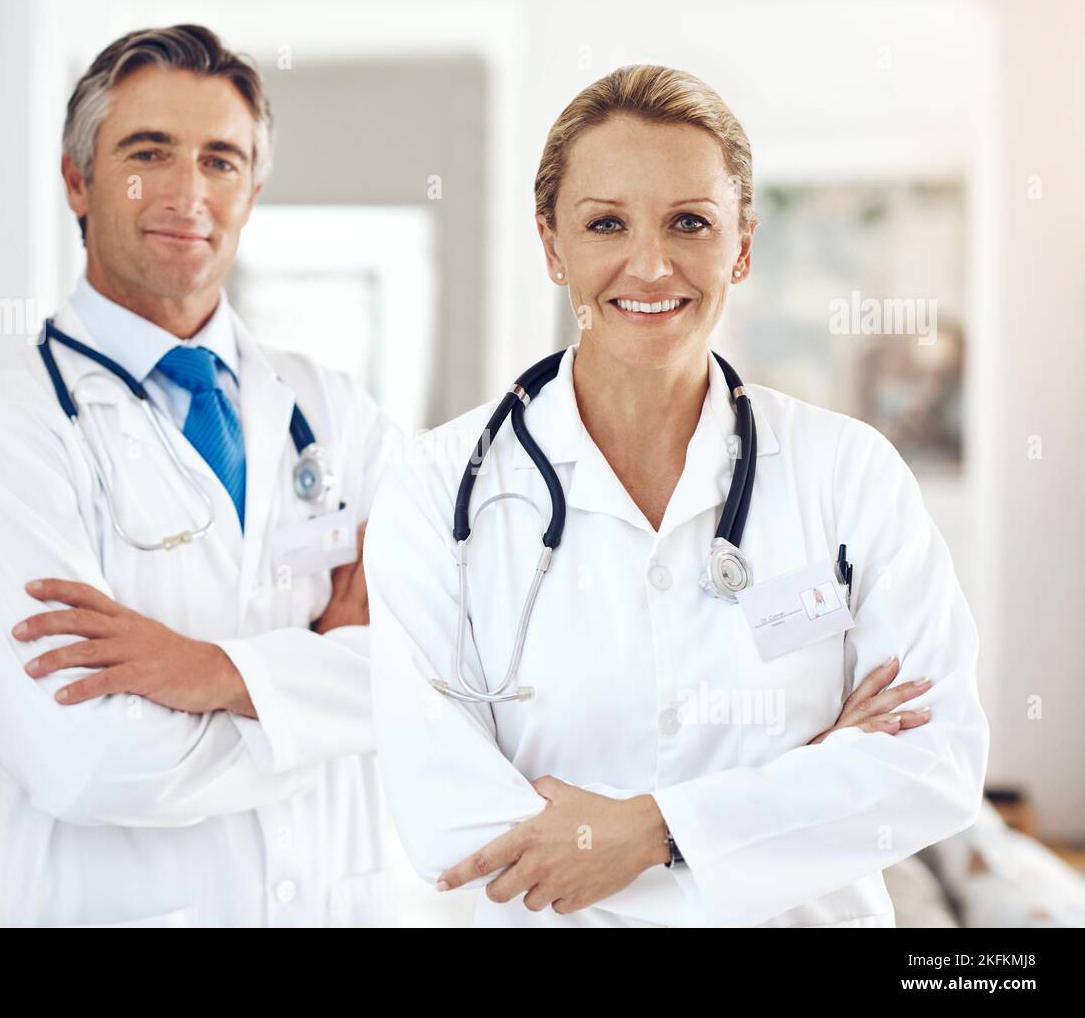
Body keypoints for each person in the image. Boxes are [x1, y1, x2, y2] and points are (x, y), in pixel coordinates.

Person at [363, 65, 989, 928]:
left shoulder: (850, 472)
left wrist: (654, 832)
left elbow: (934, 765)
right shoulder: (437, 490)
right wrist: (806, 783)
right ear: (552, 247)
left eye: (689, 222)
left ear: (742, 245)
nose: (649, 264)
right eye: (605, 223)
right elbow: (450, 823)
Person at [0, 25, 400, 927]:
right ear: (77, 181)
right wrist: (327, 682)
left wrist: (209, 672)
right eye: (149, 154)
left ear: (252, 191)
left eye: (221, 160)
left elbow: (435, 665)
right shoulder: (4, 439)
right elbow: (88, 759)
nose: (188, 192)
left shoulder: (337, 412)